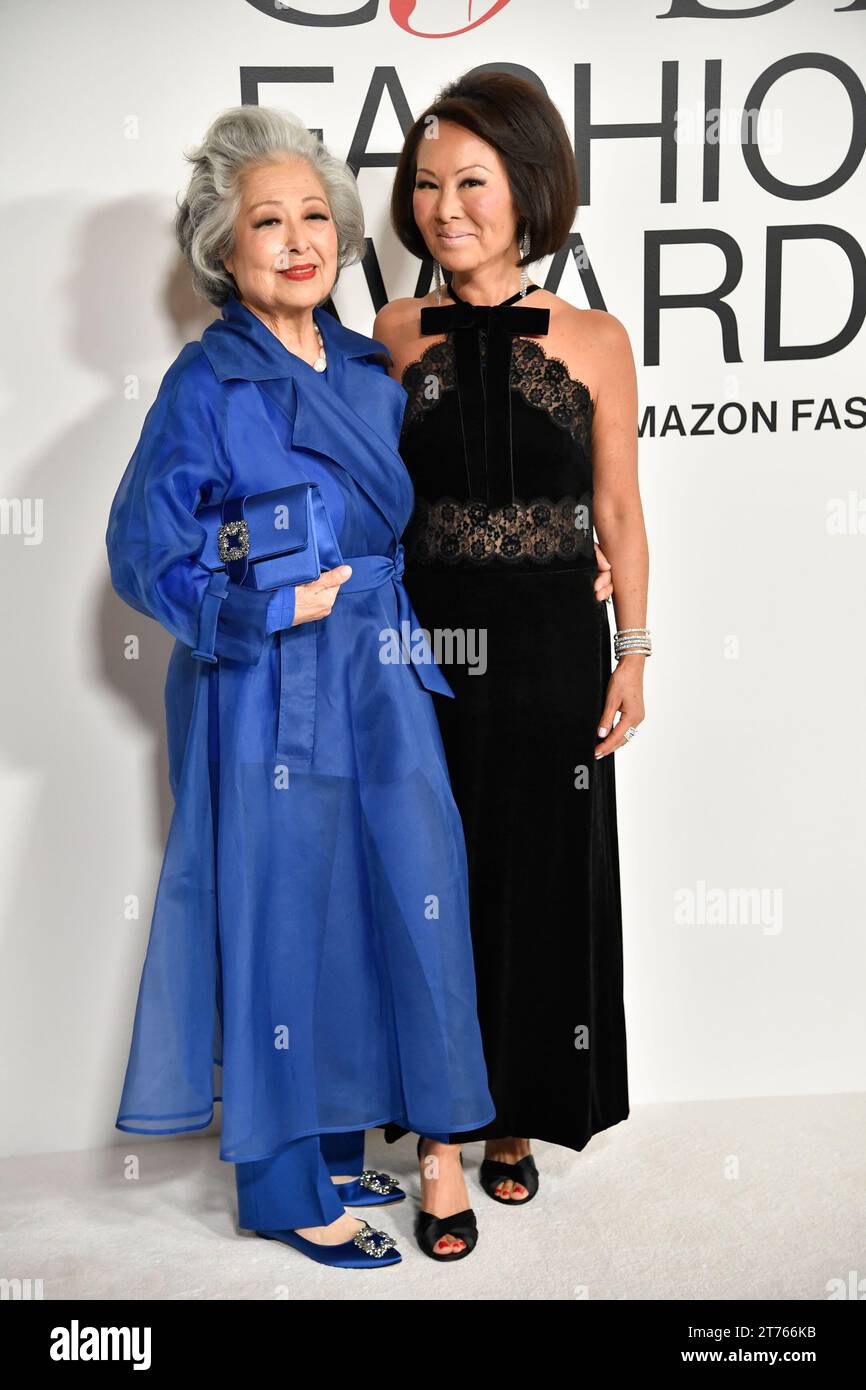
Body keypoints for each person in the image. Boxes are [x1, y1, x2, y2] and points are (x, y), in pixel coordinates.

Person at [105, 104, 496, 1270]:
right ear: (222, 250)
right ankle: (282, 1186)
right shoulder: (205, 382)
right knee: (278, 912)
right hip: (264, 686)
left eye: (315, 216)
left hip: (382, 672)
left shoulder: (376, 369)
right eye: (265, 221)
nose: (296, 239)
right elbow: (141, 551)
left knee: (391, 896)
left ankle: (330, 1129)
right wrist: (265, 600)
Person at [374, 70, 649, 1214]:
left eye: (472, 182)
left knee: (538, 881)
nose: (446, 207)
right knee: (427, 877)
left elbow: (620, 511)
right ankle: (441, 1124)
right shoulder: (388, 334)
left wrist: (631, 648)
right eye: (427, 184)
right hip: (421, 653)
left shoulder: (592, 338)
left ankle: (517, 1111)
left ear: (528, 192)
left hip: (549, 653)